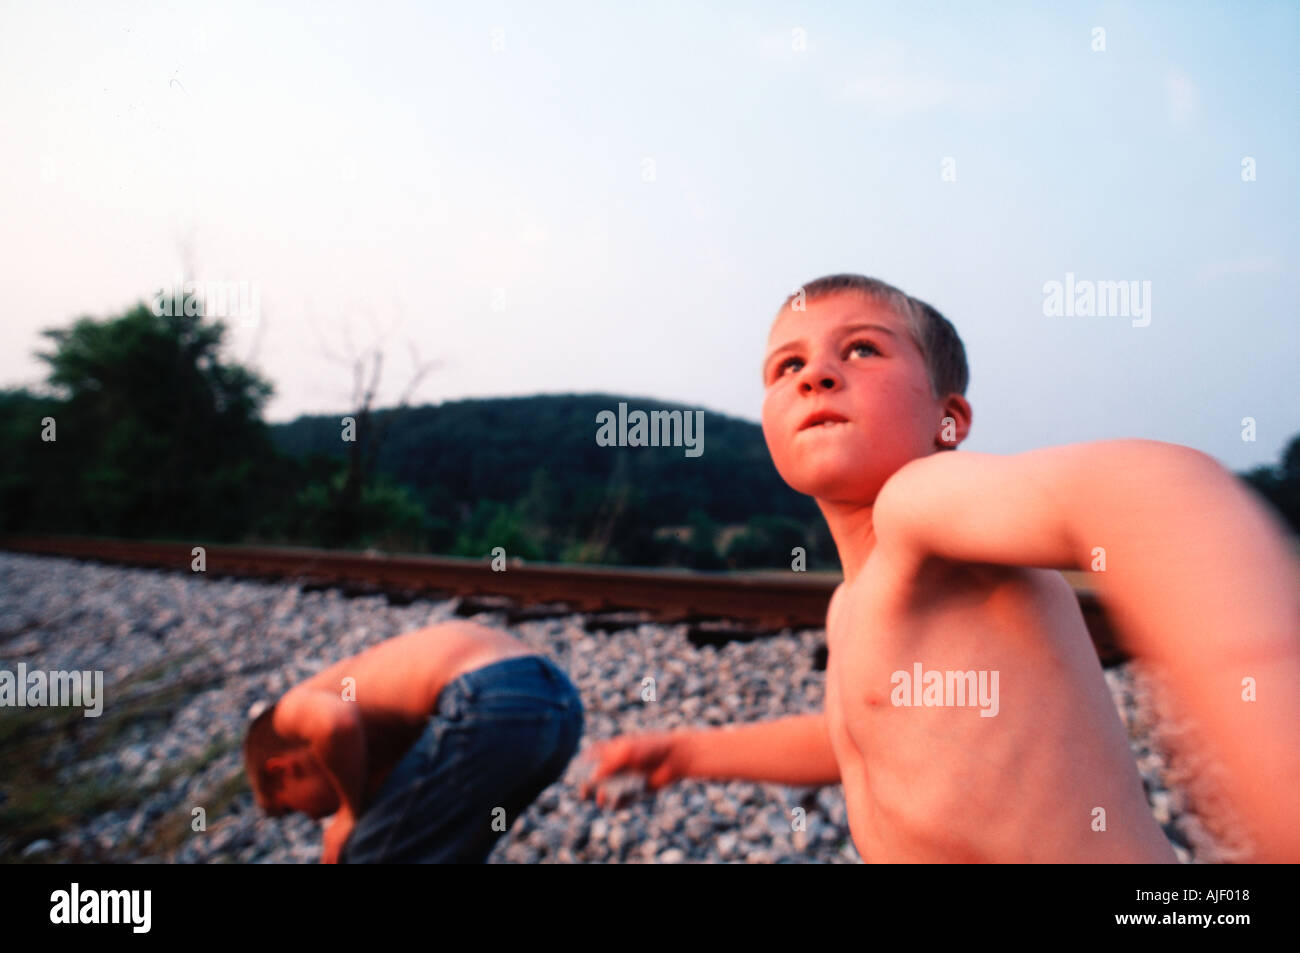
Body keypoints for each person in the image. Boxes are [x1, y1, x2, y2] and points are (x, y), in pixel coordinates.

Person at [581, 273, 1300, 862]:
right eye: (788, 365)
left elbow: (1148, 493)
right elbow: (857, 739)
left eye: (861, 350)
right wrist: (691, 750)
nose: (817, 374)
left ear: (948, 420)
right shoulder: (853, 602)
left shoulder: (918, 507)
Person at [244, 620, 583, 863]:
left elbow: (336, 725)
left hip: (493, 698)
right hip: (560, 706)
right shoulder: (376, 731)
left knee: (366, 853)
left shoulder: (288, 712)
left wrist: (348, 812)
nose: (313, 816)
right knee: (445, 849)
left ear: (282, 770)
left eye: (290, 808)